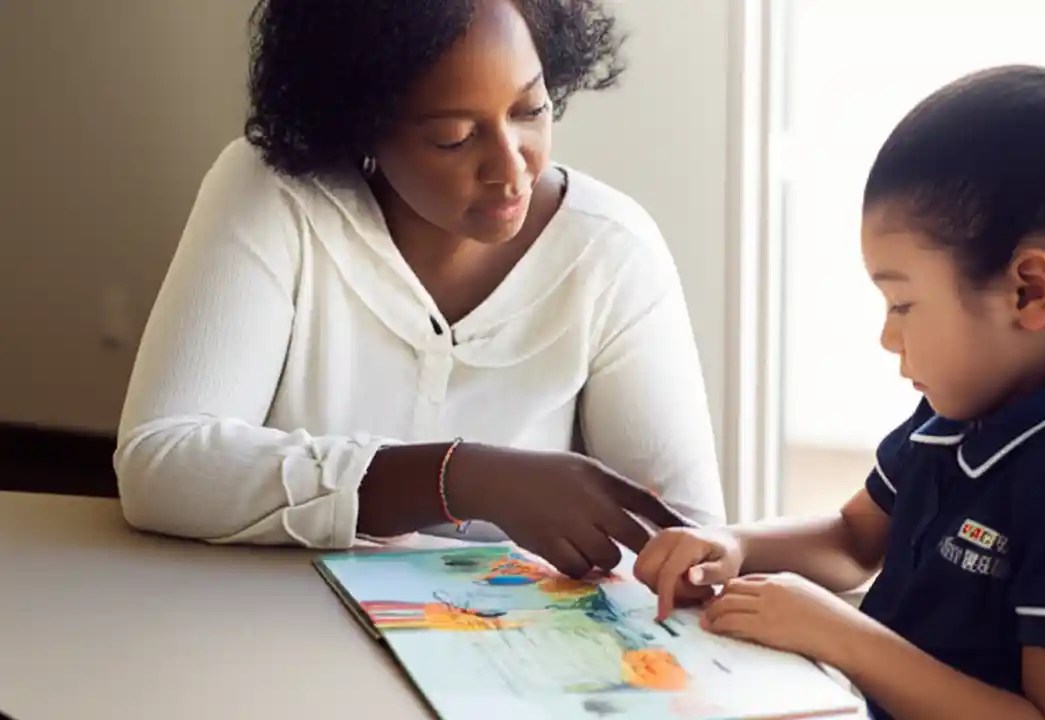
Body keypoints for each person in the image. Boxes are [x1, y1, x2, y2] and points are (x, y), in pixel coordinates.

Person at [635, 39, 1045, 719]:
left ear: (1028, 291)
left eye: (902, 304)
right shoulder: (956, 414)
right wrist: (737, 545)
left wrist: (836, 633)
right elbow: (852, 541)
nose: (887, 335)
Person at [114, 0, 726, 578]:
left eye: (530, 111)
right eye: (454, 138)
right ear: (362, 124)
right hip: (276, 644)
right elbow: (160, 465)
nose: (510, 168)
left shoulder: (612, 250)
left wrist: (689, 561)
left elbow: (688, 539)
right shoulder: (277, 196)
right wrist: (460, 475)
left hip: (508, 668)